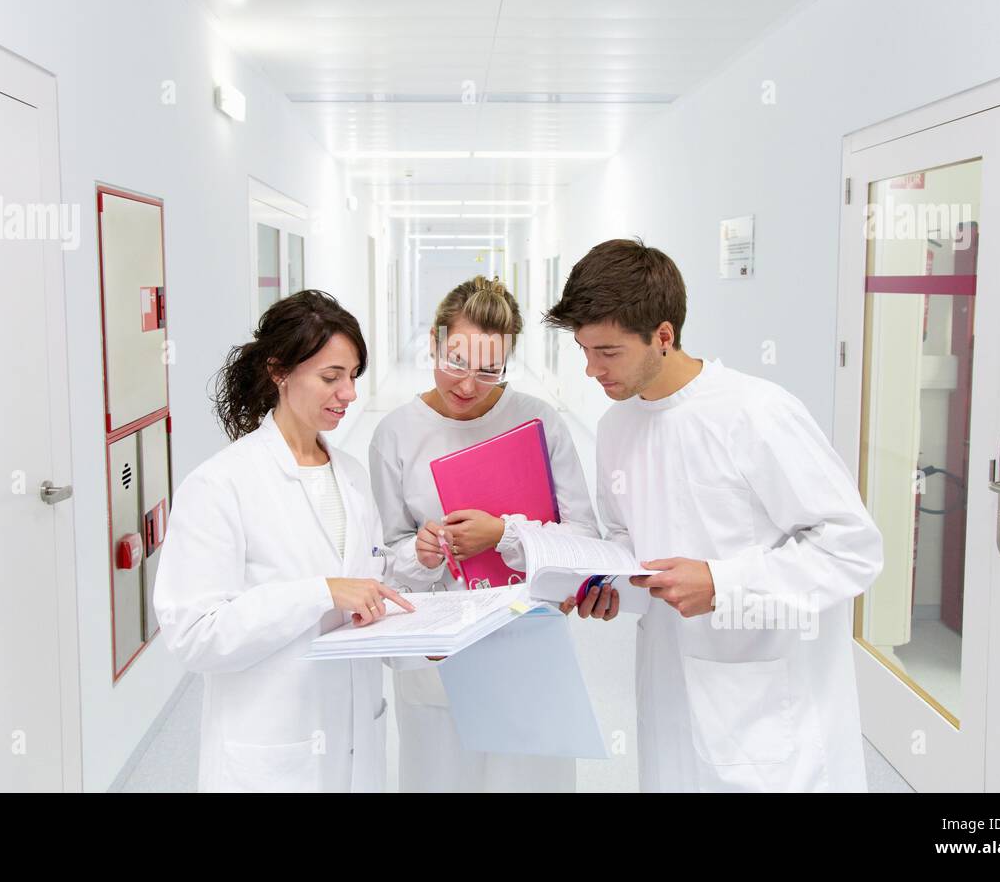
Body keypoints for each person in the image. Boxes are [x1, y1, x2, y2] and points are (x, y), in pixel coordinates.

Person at [543, 239, 884, 792]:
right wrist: (609, 586)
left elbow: (851, 547)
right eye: (583, 350)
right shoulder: (617, 428)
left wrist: (723, 583)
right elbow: (632, 542)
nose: (590, 370)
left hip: (768, 705)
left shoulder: (757, 413)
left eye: (607, 352)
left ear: (663, 334)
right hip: (670, 684)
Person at [153, 289, 413, 792]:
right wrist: (320, 593)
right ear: (279, 372)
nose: (349, 394)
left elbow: (368, 593)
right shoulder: (220, 485)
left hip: (357, 738)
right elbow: (194, 635)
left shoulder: (353, 477)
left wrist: (422, 640)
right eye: (331, 377)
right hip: (274, 750)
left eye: (353, 376)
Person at [369, 275, 609, 792]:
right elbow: (384, 555)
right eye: (454, 361)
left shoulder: (539, 422)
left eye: (488, 370)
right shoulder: (395, 433)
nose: (467, 384)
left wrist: (504, 534)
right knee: (440, 776)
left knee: (528, 780)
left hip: (525, 640)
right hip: (437, 648)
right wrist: (422, 552)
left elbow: (584, 536)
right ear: (433, 340)